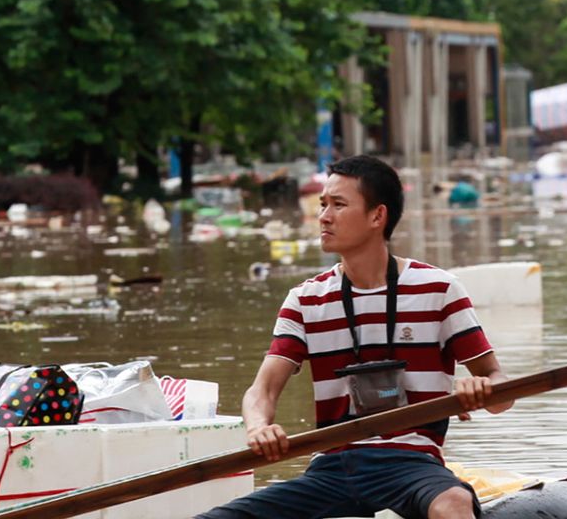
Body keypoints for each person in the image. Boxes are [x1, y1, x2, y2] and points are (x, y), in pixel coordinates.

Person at [198, 156, 507, 519]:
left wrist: (481, 390)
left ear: (378, 217)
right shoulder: (306, 299)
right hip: (332, 467)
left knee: (453, 504)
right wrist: (259, 428)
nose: (324, 217)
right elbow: (262, 391)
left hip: (411, 464)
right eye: (323, 204)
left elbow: (499, 389)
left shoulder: (439, 289)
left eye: (339, 205)